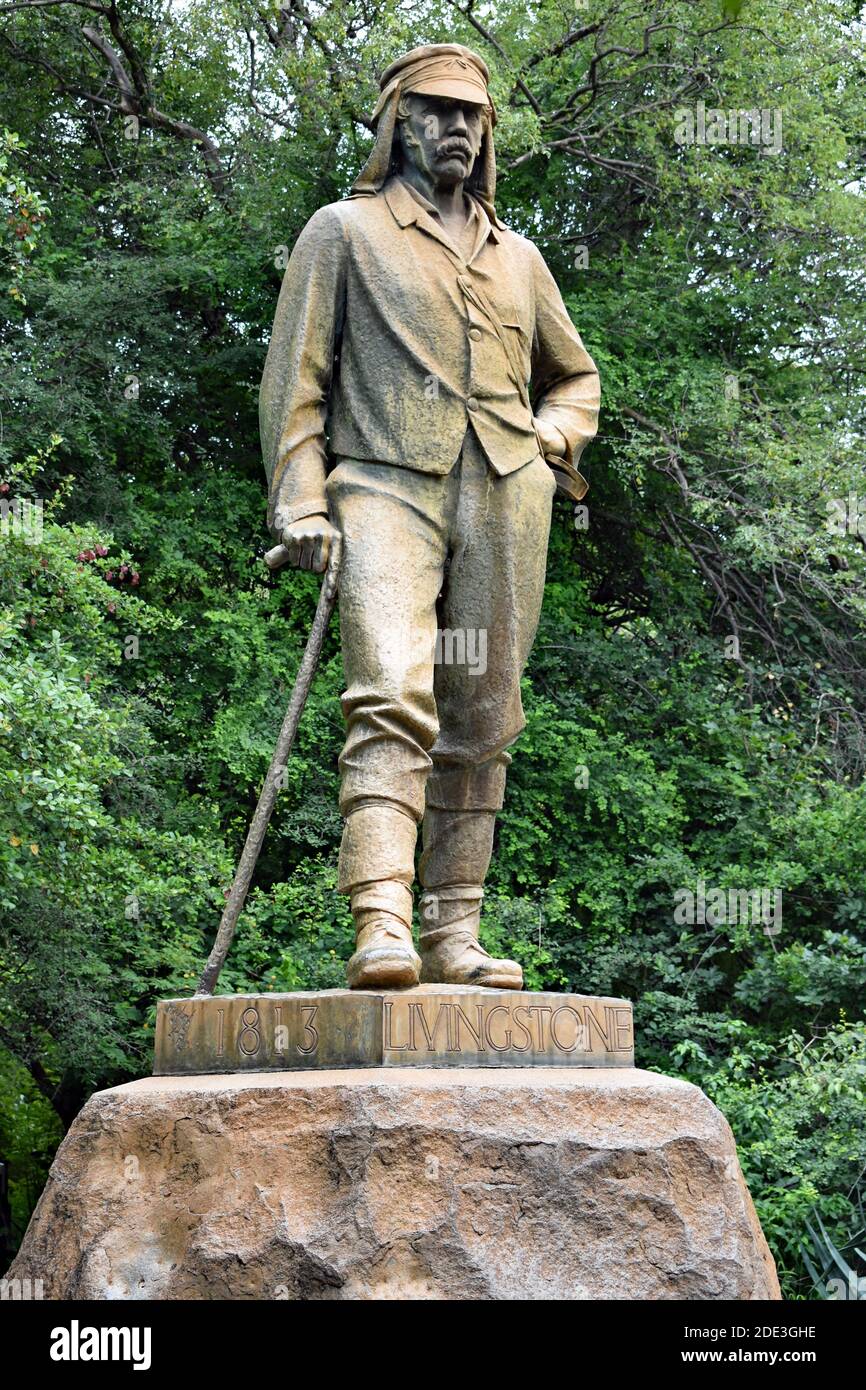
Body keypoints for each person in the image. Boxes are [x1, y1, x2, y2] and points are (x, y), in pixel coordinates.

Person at [260, 43, 600, 990]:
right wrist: (302, 502)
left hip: (504, 491)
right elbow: (296, 385)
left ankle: (455, 933)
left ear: (487, 133)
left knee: (485, 712)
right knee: (391, 690)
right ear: (397, 122)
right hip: (382, 486)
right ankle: (382, 921)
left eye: (472, 115)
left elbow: (576, 377)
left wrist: (550, 441)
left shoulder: (520, 260)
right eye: (437, 110)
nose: (457, 127)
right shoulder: (343, 233)